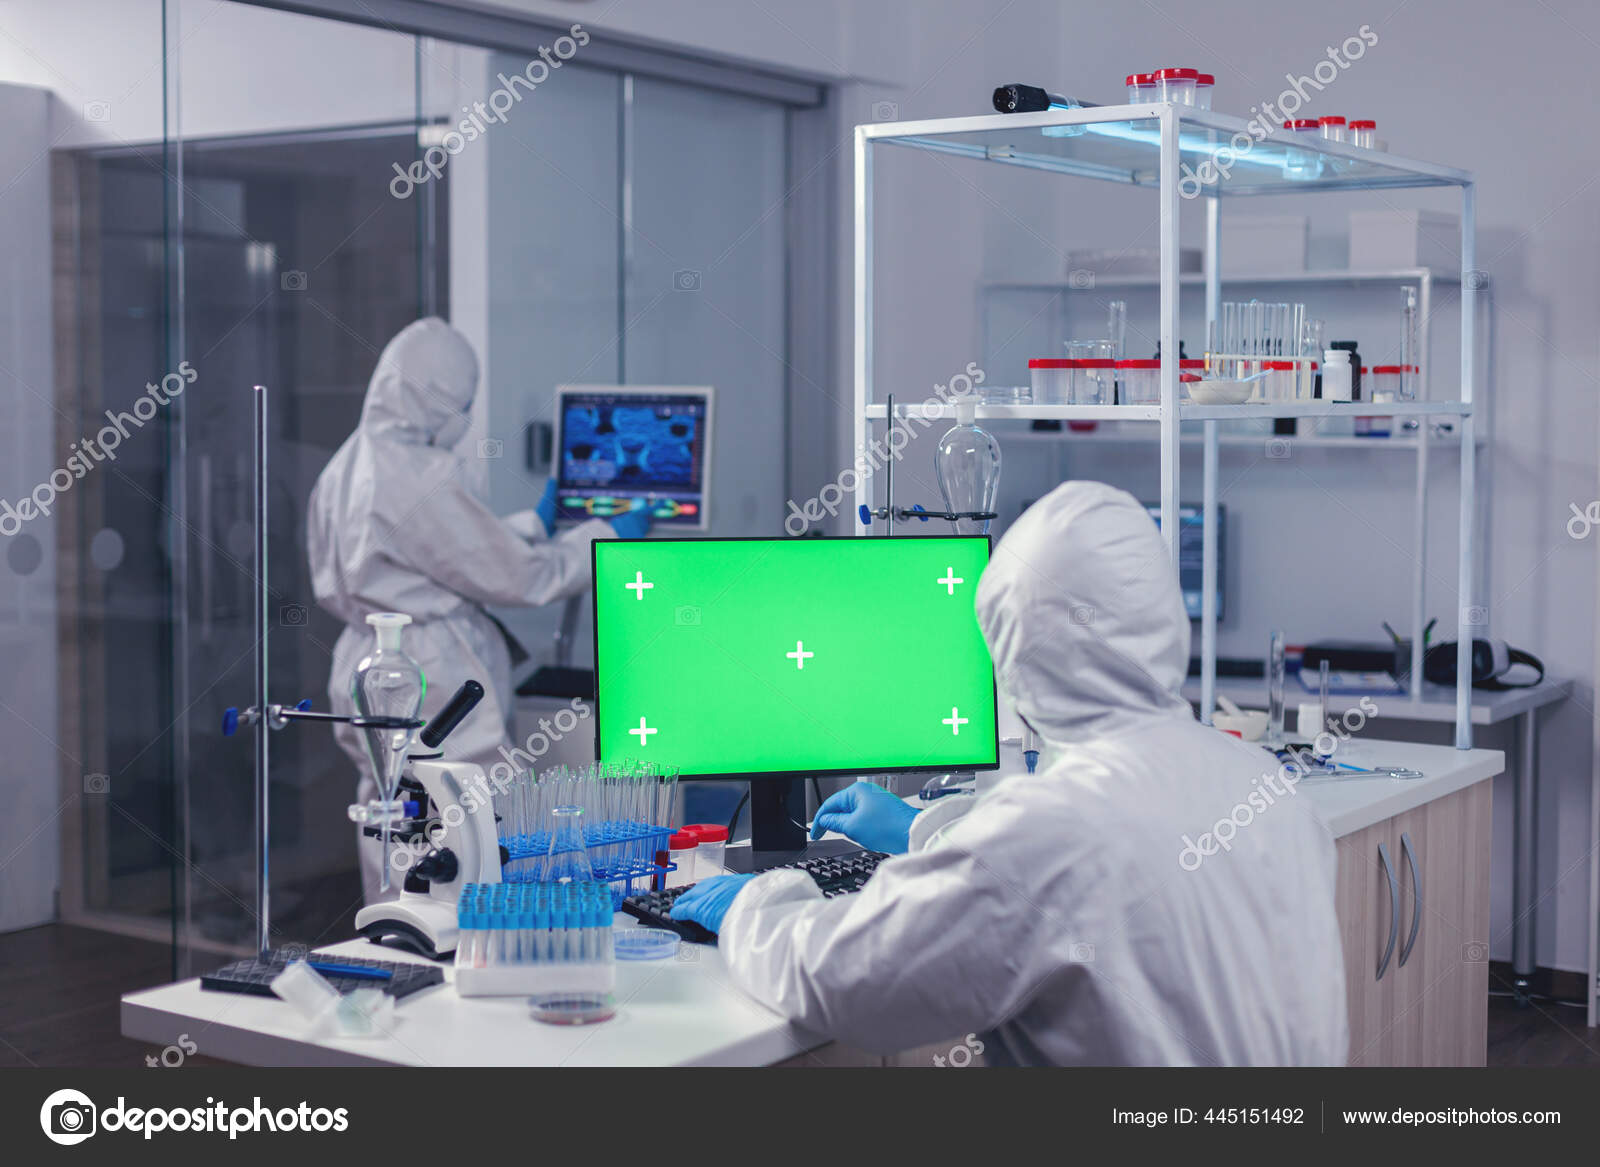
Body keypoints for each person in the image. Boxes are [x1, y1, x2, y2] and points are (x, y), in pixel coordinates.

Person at [670, 481, 1347, 1066]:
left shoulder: (1055, 829)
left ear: (1014, 643)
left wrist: (751, 908)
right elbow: (1050, 892)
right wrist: (925, 830)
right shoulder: (1262, 785)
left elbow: (846, 978)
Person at [308, 317, 647, 901]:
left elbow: (433, 557)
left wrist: (533, 525)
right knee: (464, 819)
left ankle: (396, 939)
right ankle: (462, 951)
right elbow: (516, 578)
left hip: (363, 658)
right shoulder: (418, 475)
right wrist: (605, 537)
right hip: (427, 670)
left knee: (395, 813)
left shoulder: (349, 462)